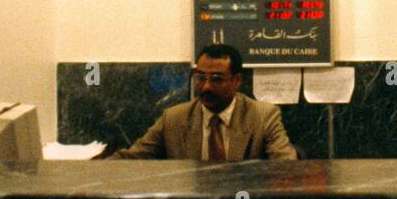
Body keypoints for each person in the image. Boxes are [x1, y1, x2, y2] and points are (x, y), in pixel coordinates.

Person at [103, 44, 297, 161]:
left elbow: (286, 166)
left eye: (216, 79)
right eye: (200, 77)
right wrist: (84, 170)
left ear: (237, 80)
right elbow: (131, 158)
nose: (206, 87)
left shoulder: (263, 116)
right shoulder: (174, 118)